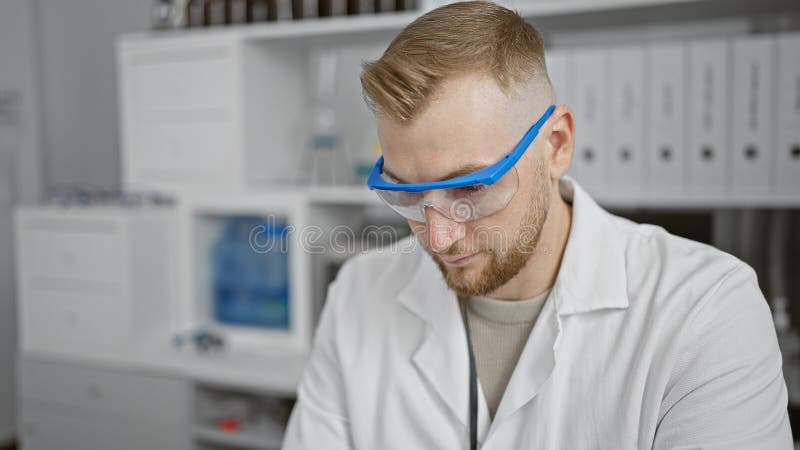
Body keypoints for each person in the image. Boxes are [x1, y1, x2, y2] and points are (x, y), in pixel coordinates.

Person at [282, 2, 793, 448]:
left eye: (472, 188)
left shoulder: (706, 311)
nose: (437, 236)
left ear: (556, 145)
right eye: (406, 195)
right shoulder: (357, 293)